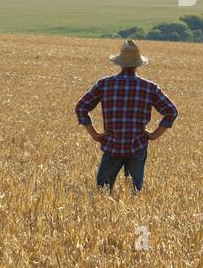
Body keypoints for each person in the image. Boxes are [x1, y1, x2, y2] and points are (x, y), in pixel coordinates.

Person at [74, 39, 178, 193]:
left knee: (102, 191)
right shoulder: (149, 87)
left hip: (112, 145)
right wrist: (154, 135)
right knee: (134, 193)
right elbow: (171, 111)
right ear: (137, 64)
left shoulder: (104, 84)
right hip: (138, 145)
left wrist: (94, 134)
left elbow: (81, 107)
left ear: (120, 63)